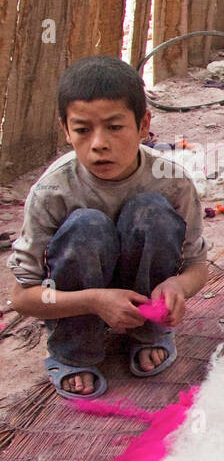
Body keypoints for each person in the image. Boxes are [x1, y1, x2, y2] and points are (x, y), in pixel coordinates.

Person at [5, 56, 209, 399]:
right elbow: (22, 298)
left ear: (144, 125)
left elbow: (196, 268)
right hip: (75, 298)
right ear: (65, 130)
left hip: (140, 294)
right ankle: (74, 350)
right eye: (83, 130)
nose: (99, 143)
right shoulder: (52, 191)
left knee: (152, 212)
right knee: (87, 225)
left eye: (115, 127)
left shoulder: (172, 183)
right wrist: (94, 301)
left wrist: (177, 286)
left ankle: (147, 332)